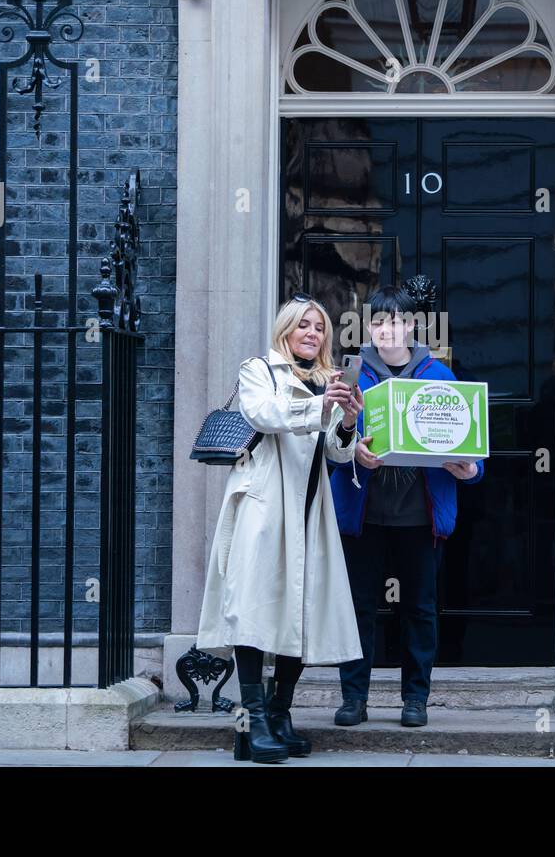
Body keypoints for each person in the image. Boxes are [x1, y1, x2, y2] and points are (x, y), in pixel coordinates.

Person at [195, 294, 364, 763]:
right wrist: (321, 407)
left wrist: (347, 421)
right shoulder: (260, 370)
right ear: (285, 330)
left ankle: (279, 712)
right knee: (252, 607)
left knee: (303, 609)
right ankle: (250, 722)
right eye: (303, 325)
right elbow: (263, 415)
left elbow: (337, 452)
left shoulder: (327, 381)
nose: (313, 333)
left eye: (320, 328)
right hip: (264, 506)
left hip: (310, 509)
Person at [327, 285, 484, 728]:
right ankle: (354, 698)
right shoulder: (352, 376)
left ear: (411, 325)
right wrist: (352, 448)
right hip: (364, 515)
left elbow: (473, 455)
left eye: (396, 322)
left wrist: (468, 471)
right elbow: (327, 442)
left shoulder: (440, 376)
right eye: (379, 322)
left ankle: (416, 700)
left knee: (418, 609)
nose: (387, 330)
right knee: (358, 609)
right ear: (369, 327)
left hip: (420, 517)